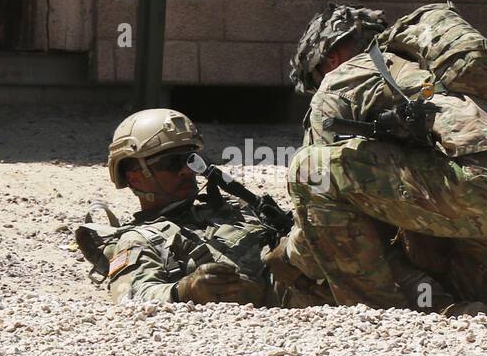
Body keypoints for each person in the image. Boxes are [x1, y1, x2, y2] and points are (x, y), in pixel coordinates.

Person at [277, 1, 487, 319]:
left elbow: (319, 195)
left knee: (311, 170)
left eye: (316, 76)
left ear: (330, 57)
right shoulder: (431, 68)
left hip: (474, 196)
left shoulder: (344, 78)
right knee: (451, 270)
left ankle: (389, 317)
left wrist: (286, 258)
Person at [76, 108, 332, 307]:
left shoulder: (230, 207)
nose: (187, 170)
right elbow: (132, 297)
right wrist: (186, 290)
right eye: (172, 162)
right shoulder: (140, 240)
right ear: (134, 176)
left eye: (191, 159)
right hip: (294, 293)